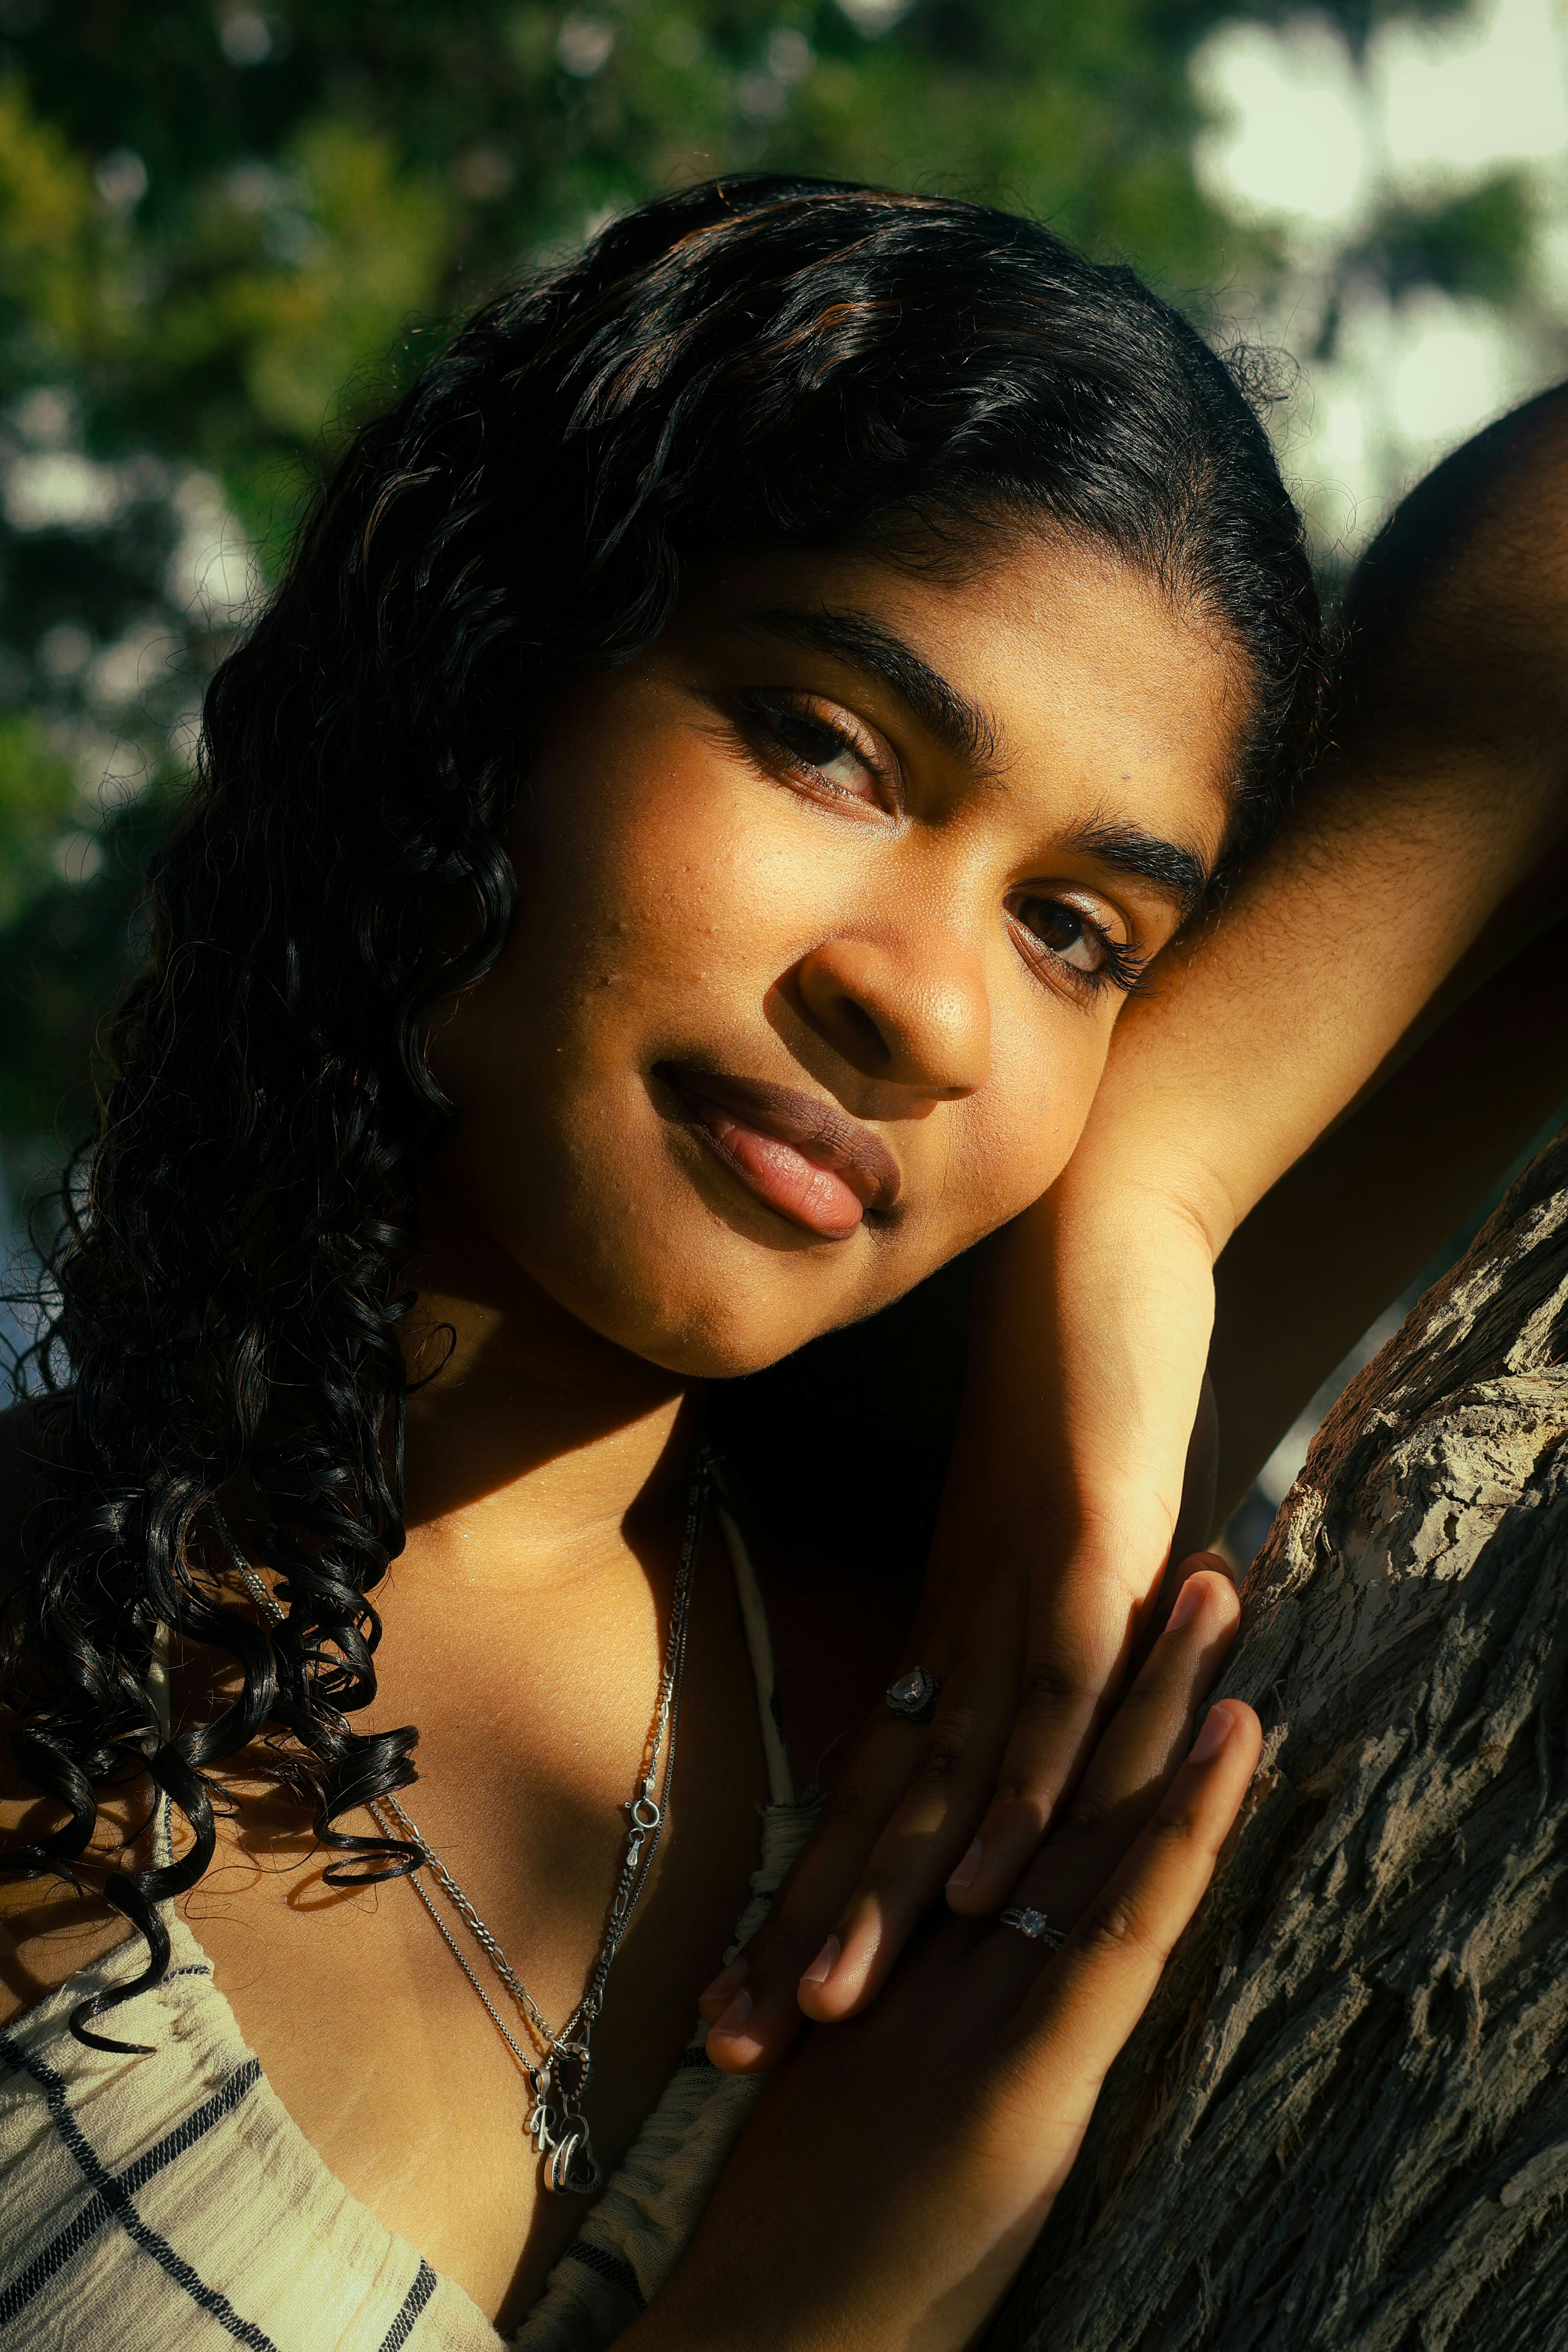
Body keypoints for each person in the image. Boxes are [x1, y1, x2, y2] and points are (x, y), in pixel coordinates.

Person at [0, 177, 1563, 2350]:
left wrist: (1145, 1203)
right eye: (833, 747)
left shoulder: (963, 1667)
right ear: (489, 665)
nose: (925, 1009)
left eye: (1076, 933)